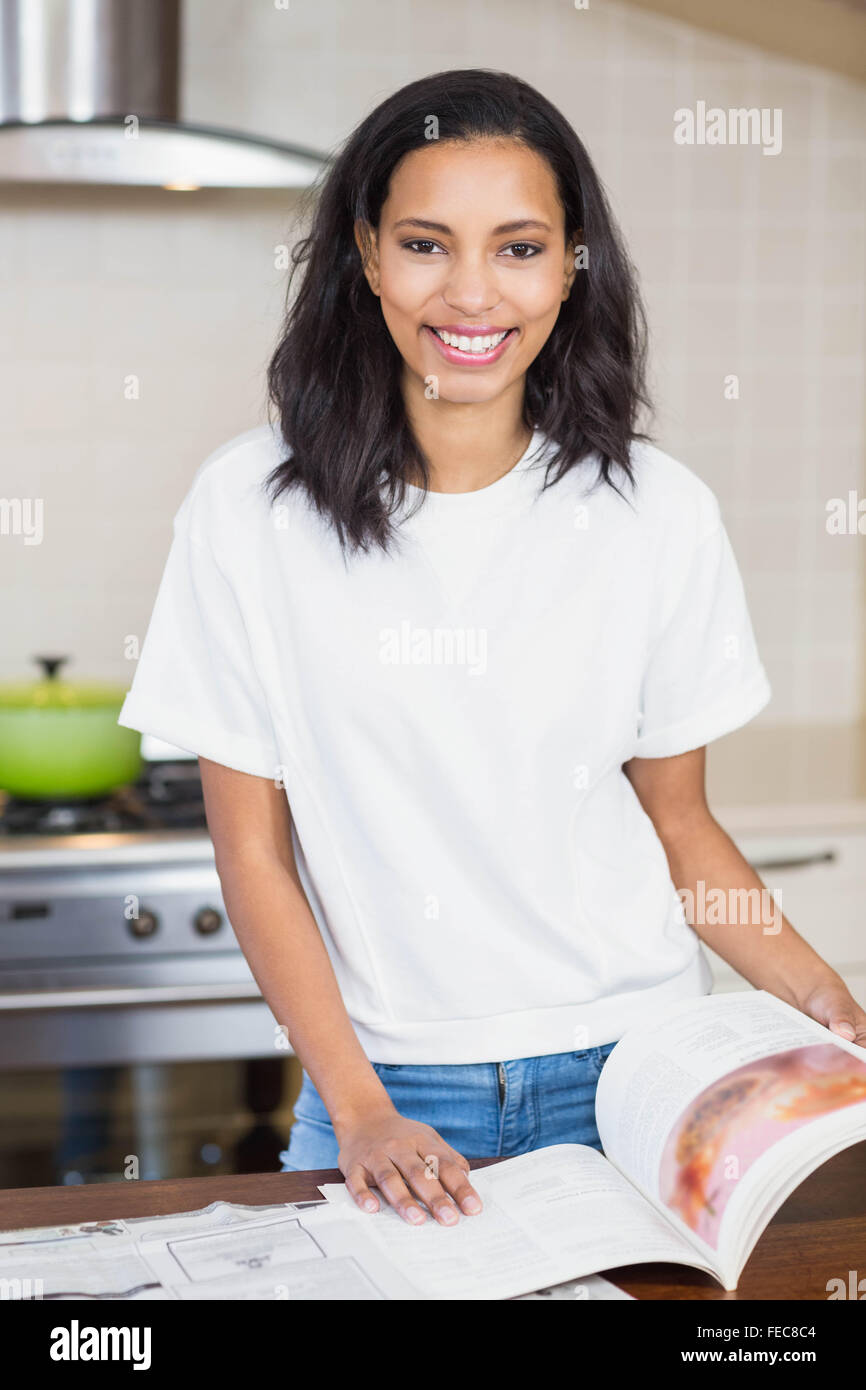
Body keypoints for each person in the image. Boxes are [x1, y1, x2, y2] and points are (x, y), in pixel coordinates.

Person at [118, 68, 866, 1229]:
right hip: (389, 1096)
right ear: (365, 255)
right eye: (426, 243)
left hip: (645, 1076)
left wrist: (825, 997)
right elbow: (253, 856)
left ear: (572, 266)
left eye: (518, 248)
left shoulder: (655, 513)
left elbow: (676, 825)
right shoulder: (247, 511)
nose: (471, 292)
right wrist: (359, 1108)